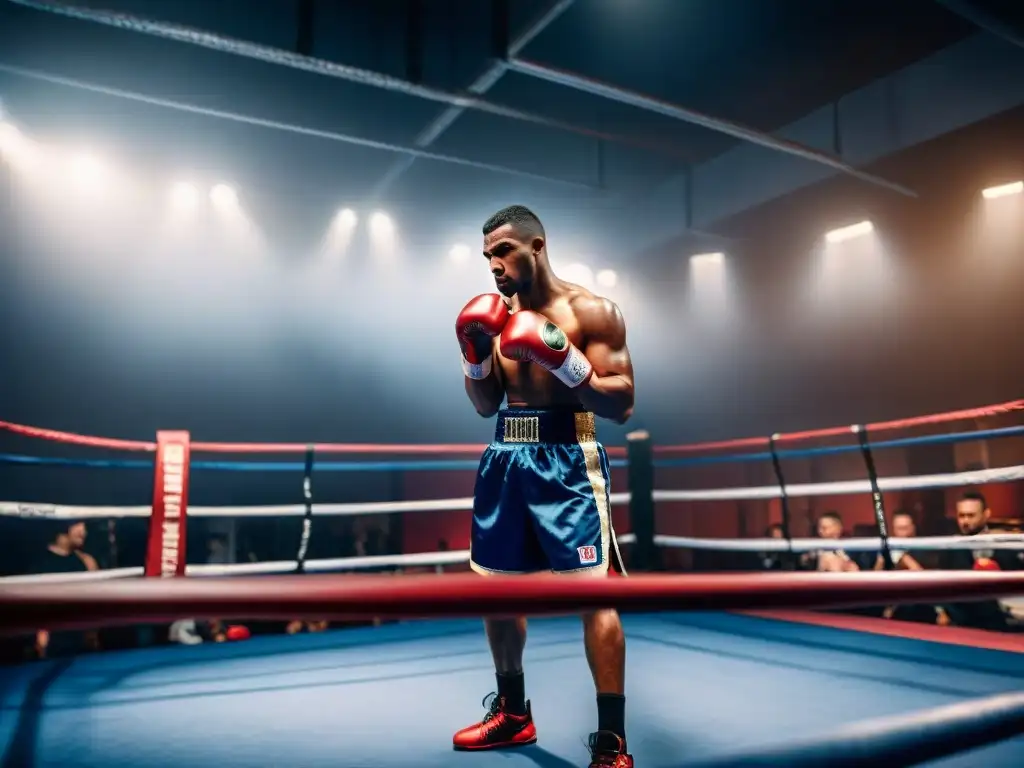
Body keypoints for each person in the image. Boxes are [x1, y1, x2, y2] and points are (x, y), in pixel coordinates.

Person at [453, 205, 634, 767]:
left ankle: (612, 742)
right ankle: (513, 713)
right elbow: (485, 408)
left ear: (537, 245)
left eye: (504, 252)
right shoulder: (492, 316)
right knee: (495, 589)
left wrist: (564, 359)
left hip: (568, 458)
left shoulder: (592, 311)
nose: (495, 266)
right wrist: (476, 355)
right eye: (488, 257)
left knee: (594, 593)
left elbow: (622, 403)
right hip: (507, 456)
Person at [33, 521, 99, 657]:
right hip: (53, 645)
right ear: (64, 525)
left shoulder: (87, 562)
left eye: (85, 526)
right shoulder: (40, 565)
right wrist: (41, 640)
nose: (84, 532)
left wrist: (92, 635)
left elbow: (95, 603)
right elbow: (37, 609)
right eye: (78, 525)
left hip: (83, 643)